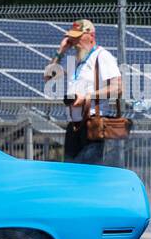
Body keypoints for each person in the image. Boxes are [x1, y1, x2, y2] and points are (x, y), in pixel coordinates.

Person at [43, 19, 123, 165]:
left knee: (87, 172)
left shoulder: (102, 56)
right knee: (70, 170)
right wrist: (61, 51)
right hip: (73, 125)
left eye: (78, 37)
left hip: (92, 125)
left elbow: (117, 88)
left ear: (91, 36)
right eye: (72, 37)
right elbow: (48, 76)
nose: (74, 41)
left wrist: (87, 97)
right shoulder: (73, 59)